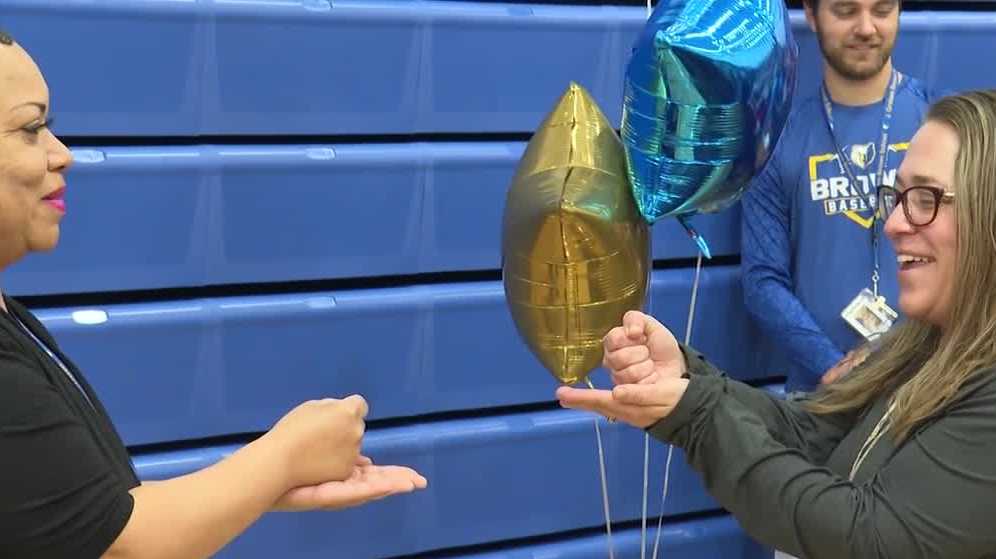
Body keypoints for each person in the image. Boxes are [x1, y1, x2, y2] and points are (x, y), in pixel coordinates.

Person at [0, 32, 426, 559]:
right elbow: (120, 549)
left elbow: (78, 519)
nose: (61, 155)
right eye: (29, 129)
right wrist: (282, 458)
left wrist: (255, 486)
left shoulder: (12, 320)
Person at [559, 89, 996, 558]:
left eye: (925, 198)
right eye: (897, 196)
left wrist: (699, 413)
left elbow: (868, 539)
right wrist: (687, 381)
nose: (893, 224)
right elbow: (816, 432)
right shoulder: (928, 345)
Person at [741, 0, 939, 393]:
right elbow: (762, 281)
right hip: (823, 398)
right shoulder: (779, 140)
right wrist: (834, 367)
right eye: (846, 11)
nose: (866, 28)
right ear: (812, 16)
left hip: (929, 389)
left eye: (882, 10)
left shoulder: (941, 124)